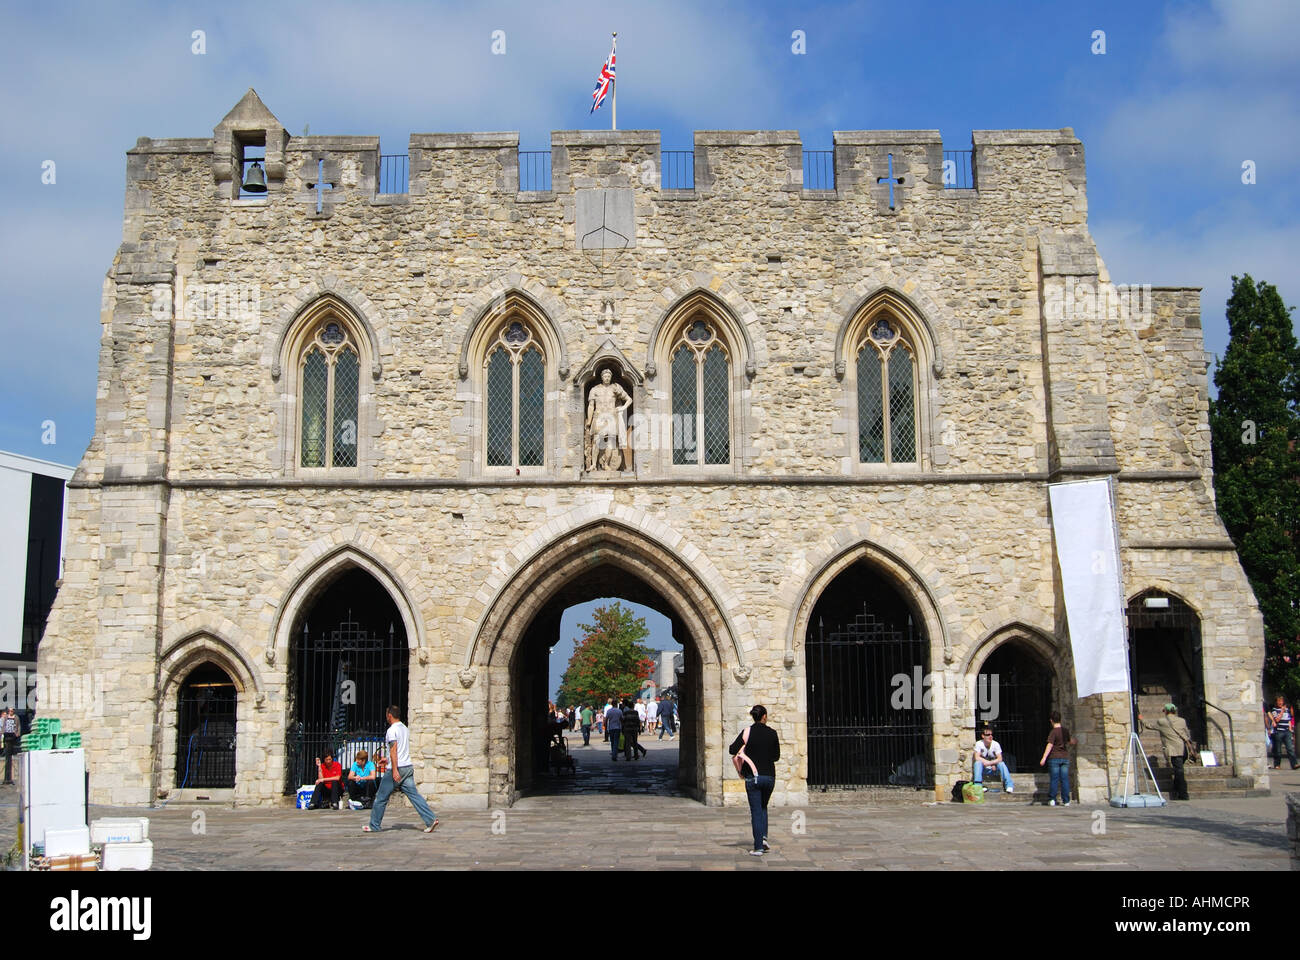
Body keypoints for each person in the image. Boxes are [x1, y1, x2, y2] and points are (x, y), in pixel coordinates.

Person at [363, 705, 439, 834]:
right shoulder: (405, 728)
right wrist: (387, 759)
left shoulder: (392, 730)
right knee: (414, 795)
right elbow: (401, 750)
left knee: (381, 797)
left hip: (397, 768)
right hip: (407, 767)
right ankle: (430, 819)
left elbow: (394, 750)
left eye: (387, 714)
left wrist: (394, 770)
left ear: (389, 715)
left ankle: (374, 825)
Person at [729, 704, 780, 856]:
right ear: (764, 716)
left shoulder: (747, 732)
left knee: (756, 811)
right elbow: (776, 756)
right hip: (769, 776)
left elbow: (732, 749)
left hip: (753, 777)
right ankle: (763, 837)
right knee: (763, 807)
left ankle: (758, 847)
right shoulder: (772, 733)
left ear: (754, 716)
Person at [1141, 704, 1195, 800]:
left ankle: (1183, 794)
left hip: (1173, 749)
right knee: (1178, 770)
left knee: (1179, 771)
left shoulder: (1162, 722)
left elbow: (1149, 726)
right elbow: (1185, 733)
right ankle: (1176, 790)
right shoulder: (1182, 721)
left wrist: (1142, 719)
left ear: (1165, 711)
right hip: (1183, 749)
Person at [1038, 711, 1077, 806]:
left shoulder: (1053, 732)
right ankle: (1066, 800)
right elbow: (1070, 741)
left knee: (1054, 779)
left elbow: (1050, 745)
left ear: (1051, 720)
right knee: (1064, 779)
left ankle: (1052, 799)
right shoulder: (1065, 731)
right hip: (1064, 757)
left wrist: (1043, 758)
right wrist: (1074, 741)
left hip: (1054, 757)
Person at [972, 727, 1014, 792]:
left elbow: (1000, 758)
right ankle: (978, 785)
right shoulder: (979, 744)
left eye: (991, 734)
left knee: (1001, 763)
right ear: (983, 736)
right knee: (977, 763)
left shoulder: (996, 744)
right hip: (984, 769)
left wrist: (990, 763)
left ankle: (1009, 785)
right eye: (988, 735)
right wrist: (986, 762)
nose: (990, 736)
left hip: (994, 769)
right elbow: (977, 757)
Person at [1267, 695, 1298, 770]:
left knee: (1290, 748)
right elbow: (1277, 720)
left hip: (1287, 731)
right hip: (1278, 732)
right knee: (1278, 751)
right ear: (1276, 702)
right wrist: (1282, 711)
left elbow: (1289, 719)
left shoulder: (1287, 710)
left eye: (1281, 701)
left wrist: (1290, 728)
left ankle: (1294, 764)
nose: (1280, 702)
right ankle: (1277, 764)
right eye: (1279, 701)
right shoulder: (1274, 710)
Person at [1, 707, 20, 785]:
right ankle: (6, 778)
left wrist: (17, 733)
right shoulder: (6, 717)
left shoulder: (16, 717)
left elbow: (18, 726)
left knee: (10, 756)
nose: (11, 712)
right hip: (7, 735)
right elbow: (3, 726)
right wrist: (2, 733)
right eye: (9, 711)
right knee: (7, 757)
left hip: (13, 736)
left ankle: (9, 778)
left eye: (12, 711)